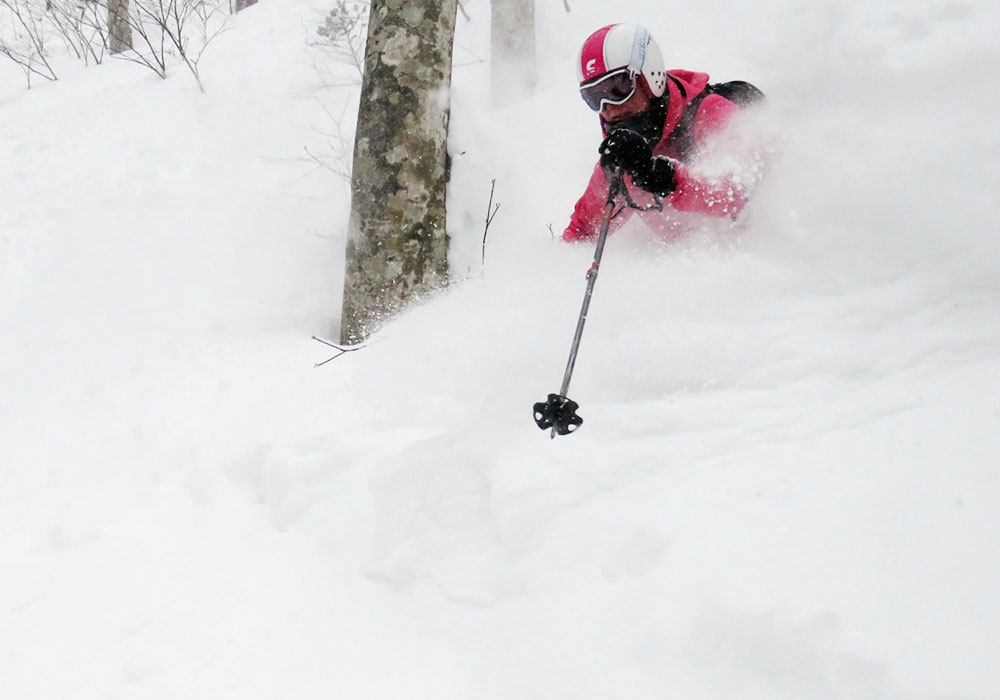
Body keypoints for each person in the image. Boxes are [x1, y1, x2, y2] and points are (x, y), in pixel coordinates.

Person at [563, 23, 762, 242]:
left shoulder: (710, 114)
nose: (608, 107)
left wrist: (669, 179)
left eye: (617, 88)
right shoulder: (625, 156)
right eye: (594, 97)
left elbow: (740, 197)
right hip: (689, 265)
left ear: (649, 76)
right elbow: (582, 233)